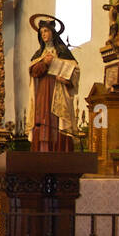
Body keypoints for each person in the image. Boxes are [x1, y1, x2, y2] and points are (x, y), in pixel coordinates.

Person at [27, 16, 79, 152]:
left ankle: (60, 153)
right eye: (42, 32)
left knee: (58, 121)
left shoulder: (62, 51)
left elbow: (75, 70)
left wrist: (66, 80)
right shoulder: (39, 54)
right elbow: (33, 72)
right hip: (43, 92)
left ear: (53, 33)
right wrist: (44, 63)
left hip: (58, 90)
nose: (44, 34)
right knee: (43, 119)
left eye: (47, 31)